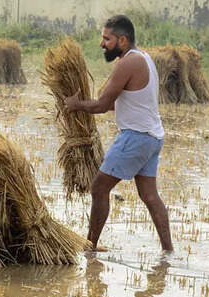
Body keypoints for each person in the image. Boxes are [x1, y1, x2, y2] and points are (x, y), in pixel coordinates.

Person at [64, 15, 173, 253]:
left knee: (99, 188)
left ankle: (89, 247)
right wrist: (89, 103)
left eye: (107, 39)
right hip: (152, 137)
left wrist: (76, 105)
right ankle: (168, 251)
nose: (102, 43)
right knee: (149, 196)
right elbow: (118, 103)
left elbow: (103, 105)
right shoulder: (144, 58)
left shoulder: (128, 63)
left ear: (122, 40)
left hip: (136, 137)